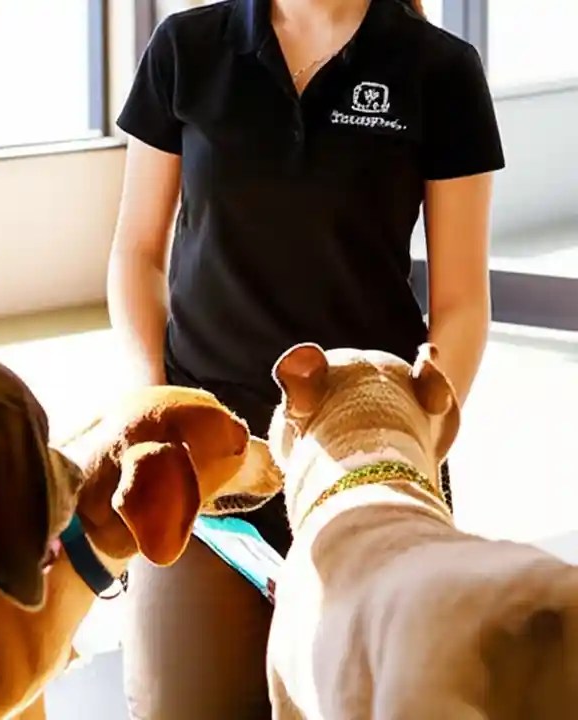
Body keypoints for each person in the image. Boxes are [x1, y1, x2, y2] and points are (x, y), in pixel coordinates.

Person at [105, 0, 503, 717]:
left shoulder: (440, 69)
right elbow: (135, 255)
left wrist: (423, 436)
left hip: (370, 455)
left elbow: (462, 300)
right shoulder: (188, 45)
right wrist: (151, 411)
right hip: (209, 455)